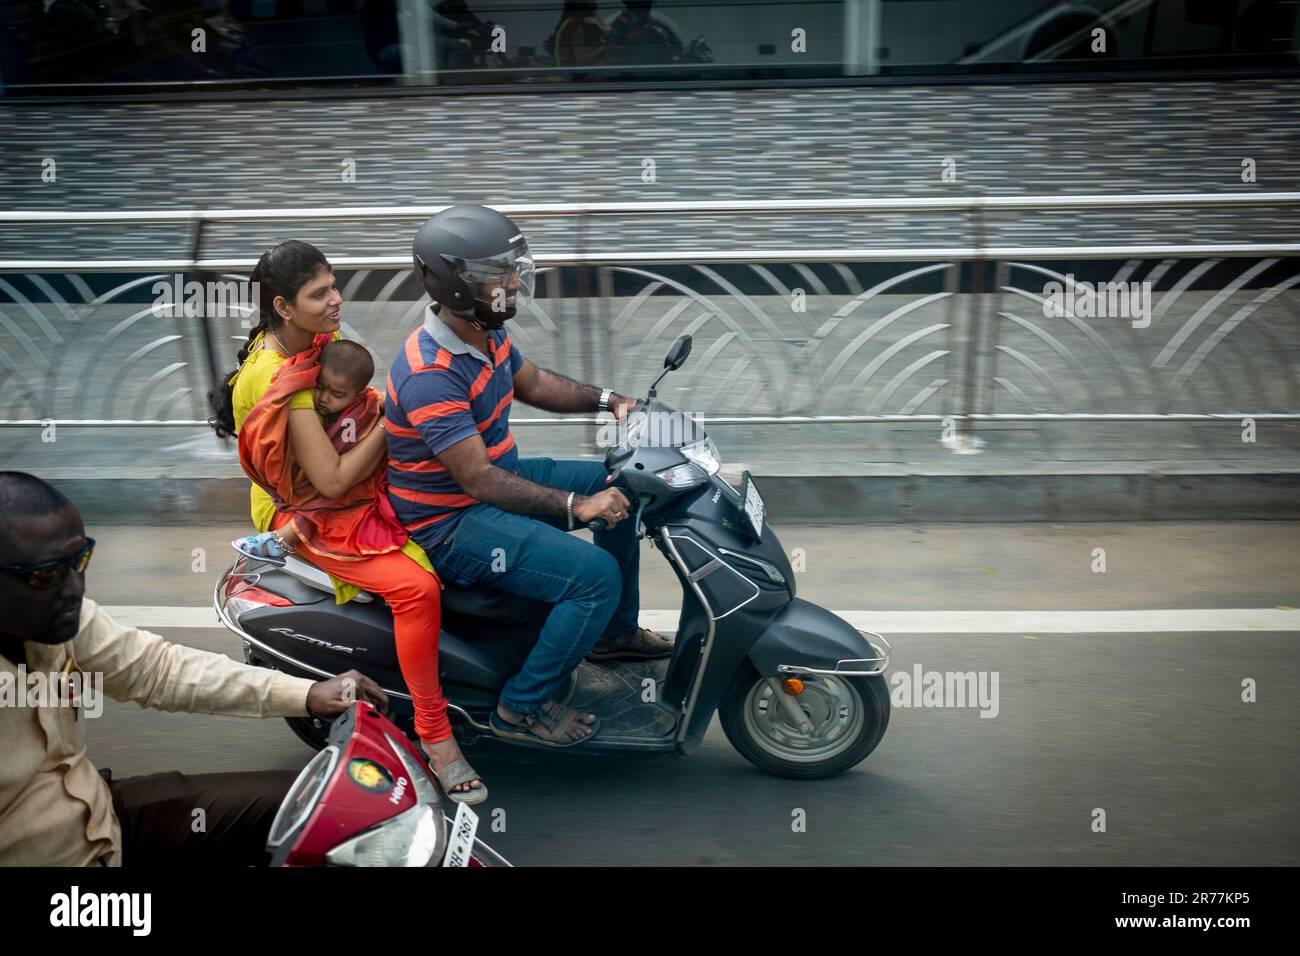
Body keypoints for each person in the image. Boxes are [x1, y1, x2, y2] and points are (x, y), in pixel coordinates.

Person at [386, 204, 674, 749]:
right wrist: (575, 506)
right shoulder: (430, 373)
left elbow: (535, 383)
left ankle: (612, 636)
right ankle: (520, 707)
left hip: (498, 477)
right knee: (593, 577)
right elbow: (476, 480)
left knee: (624, 491)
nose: (514, 283)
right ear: (454, 284)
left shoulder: (483, 332)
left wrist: (609, 400)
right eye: (499, 275)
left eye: (515, 269)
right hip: (452, 522)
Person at [208, 241, 485, 804]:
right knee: (417, 589)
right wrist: (398, 414)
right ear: (283, 307)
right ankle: (436, 735)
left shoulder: (317, 340)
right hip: (311, 509)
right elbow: (330, 482)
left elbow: (353, 407)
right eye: (320, 293)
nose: (337, 300)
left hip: (350, 474)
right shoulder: (279, 379)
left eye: (334, 286)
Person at [0, 470, 387, 866]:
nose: (75, 588)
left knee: (331, 807)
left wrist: (306, 693)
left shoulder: (58, 617)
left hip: (103, 813)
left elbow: (157, 670)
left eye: (79, 559)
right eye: (46, 575)